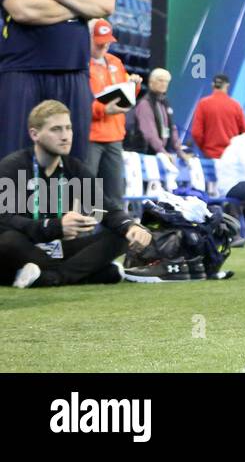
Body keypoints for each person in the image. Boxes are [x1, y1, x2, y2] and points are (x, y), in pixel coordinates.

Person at [0, 0, 115, 161]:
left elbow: (106, 4)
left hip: (74, 74)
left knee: (72, 160)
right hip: (24, 73)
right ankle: (16, 205)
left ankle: (66, 206)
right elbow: (25, 10)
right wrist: (82, 4)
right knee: (17, 158)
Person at [0, 100, 152, 288]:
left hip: (54, 250)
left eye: (68, 128)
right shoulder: (13, 166)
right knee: (7, 241)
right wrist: (54, 226)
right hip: (22, 248)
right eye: (56, 129)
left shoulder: (73, 168)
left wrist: (131, 227)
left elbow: (103, 209)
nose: (65, 136)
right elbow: (4, 219)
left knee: (122, 237)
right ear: (34, 134)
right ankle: (90, 273)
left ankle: (52, 277)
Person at [86, 19, 141, 214]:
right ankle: (83, 240)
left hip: (114, 137)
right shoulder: (81, 65)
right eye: (99, 41)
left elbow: (125, 98)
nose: (104, 45)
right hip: (90, 138)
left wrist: (134, 86)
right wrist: (102, 110)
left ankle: (113, 241)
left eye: (107, 41)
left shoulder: (116, 62)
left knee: (115, 195)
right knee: (87, 194)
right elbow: (78, 102)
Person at [190, 74, 245, 158]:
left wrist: (205, 148)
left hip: (209, 155)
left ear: (212, 85)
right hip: (231, 157)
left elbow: (196, 133)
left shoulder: (203, 104)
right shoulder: (236, 106)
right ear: (227, 86)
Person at [131, 68, 183, 157]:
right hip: (145, 154)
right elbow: (149, 133)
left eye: (166, 81)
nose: (164, 84)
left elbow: (172, 128)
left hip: (160, 153)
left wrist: (179, 149)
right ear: (151, 82)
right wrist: (163, 152)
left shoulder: (165, 102)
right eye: (160, 80)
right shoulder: (145, 103)